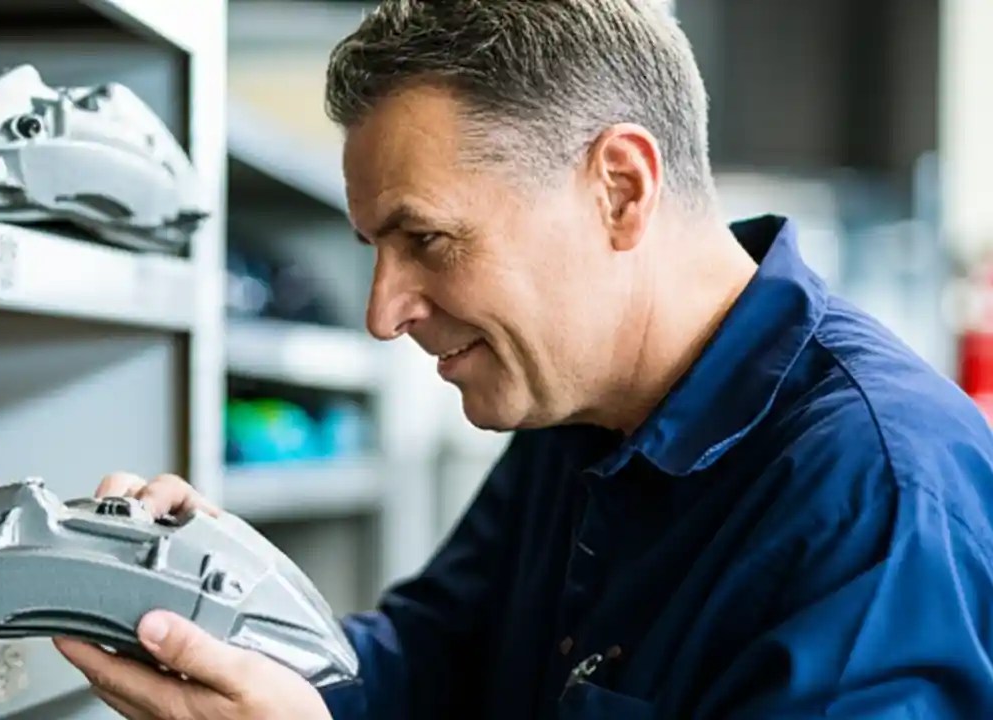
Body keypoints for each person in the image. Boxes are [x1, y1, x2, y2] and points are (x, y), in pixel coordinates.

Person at [54, 0, 993, 717]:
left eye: (425, 240)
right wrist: (231, 608)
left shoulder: (874, 502)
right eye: (373, 250)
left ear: (620, 190)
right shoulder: (580, 408)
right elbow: (428, 662)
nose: (384, 314)